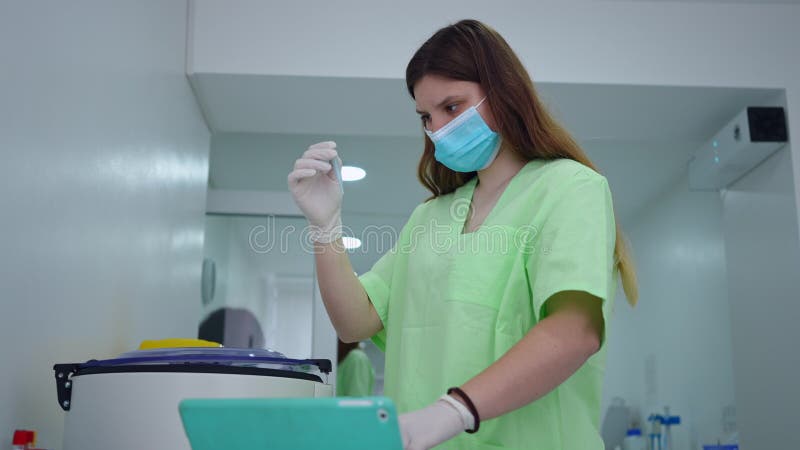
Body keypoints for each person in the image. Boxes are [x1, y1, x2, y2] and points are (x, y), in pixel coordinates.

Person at [288, 19, 638, 450]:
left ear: (503, 93)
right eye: (426, 117)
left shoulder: (570, 189)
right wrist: (325, 226)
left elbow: (575, 332)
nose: (437, 129)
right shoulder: (430, 218)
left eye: (452, 108)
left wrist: (453, 412)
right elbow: (353, 322)